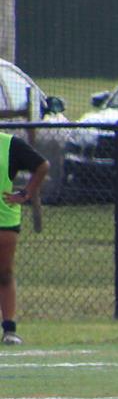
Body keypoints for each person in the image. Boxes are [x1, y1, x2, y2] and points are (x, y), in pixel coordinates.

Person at [1, 131, 51, 346]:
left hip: (4, 218)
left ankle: (9, 329)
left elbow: (42, 166)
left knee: (4, 272)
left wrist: (26, 193)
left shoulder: (10, 144)